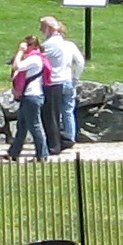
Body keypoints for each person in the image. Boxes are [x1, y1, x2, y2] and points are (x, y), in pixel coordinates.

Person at [38, 15, 83, 150]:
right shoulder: (69, 45)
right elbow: (80, 62)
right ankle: (70, 137)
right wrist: (76, 77)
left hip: (55, 81)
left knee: (52, 113)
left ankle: (58, 140)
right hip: (68, 79)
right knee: (68, 110)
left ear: (50, 29)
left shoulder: (48, 45)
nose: (41, 31)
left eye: (42, 28)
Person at [6, 33, 50, 161]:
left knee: (35, 126)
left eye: (29, 45)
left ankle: (42, 154)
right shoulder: (32, 57)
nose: (26, 47)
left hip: (32, 96)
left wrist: (20, 51)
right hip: (28, 96)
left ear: (35, 46)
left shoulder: (35, 58)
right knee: (22, 125)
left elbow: (17, 66)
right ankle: (14, 153)